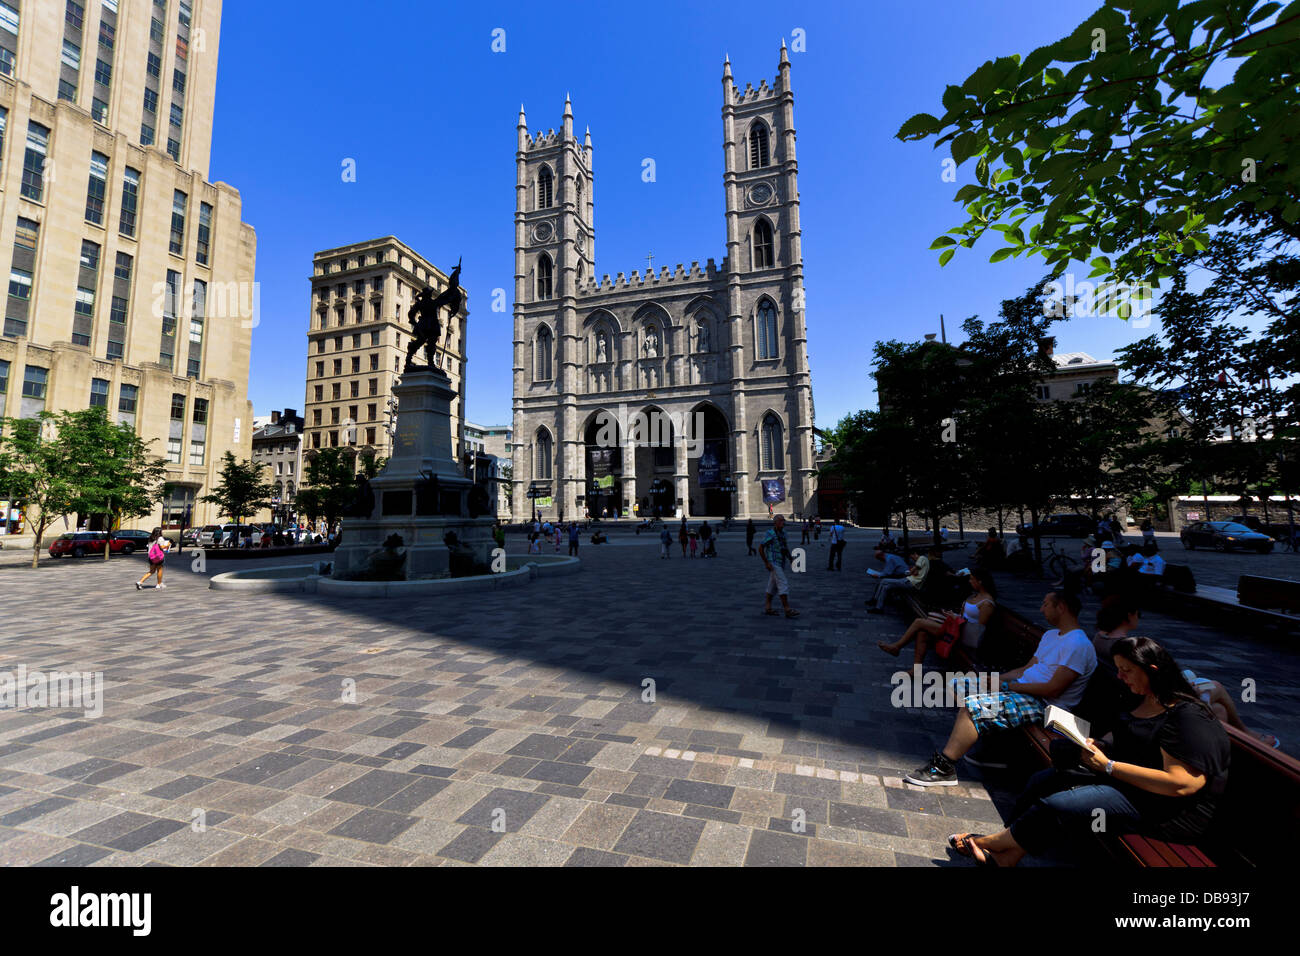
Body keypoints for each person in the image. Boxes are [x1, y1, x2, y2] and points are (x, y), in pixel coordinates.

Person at [948, 636, 1231, 866]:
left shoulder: (1186, 716)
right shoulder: (1145, 697)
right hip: (1132, 786)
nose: (1120, 677)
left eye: (1126, 670)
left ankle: (992, 844)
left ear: (1152, 671)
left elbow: (1183, 784)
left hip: (1165, 811)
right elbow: (1124, 732)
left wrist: (1108, 766)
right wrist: (1101, 744)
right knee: (1042, 781)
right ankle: (1008, 852)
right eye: (1119, 669)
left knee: (1060, 804)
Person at [904, 590, 1096, 787]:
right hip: (1022, 690)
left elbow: (1053, 690)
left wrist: (1007, 686)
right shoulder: (1051, 635)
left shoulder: (1078, 645)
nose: (1041, 609)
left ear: (1061, 607)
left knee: (974, 707)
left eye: (1046, 604)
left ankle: (944, 768)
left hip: (1045, 705)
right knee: (959, 684)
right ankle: (991, 744)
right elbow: (1026, 669)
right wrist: (994, 680)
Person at [879, 568, 997, 664]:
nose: (970, 581)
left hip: (966, 636)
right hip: (958, 628)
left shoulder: (987, 603)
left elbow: (979, 629)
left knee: (919, 622)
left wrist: (957, 619)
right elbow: (964, 616)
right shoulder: (974, 595)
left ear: (980, 581)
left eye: (972, 579)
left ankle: (897, 647)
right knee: (922, 632)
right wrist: (953, 615)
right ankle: (915, 670)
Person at [760, 514, 798, 618]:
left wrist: (790, 559)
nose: (783, 523)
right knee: (782, 583)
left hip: (781, 562)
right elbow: (761, 547)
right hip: (773, 562)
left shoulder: (783, 533)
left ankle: (768, 607)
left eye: (783, 521)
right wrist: (766, 562)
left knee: (772, 586)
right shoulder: (770, 533)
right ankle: (787, 609)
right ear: (775, 522)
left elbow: (784, 547)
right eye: (781, 521)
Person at [867, 548, 928, 613]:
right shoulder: (891, 557)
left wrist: (911, 570)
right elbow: (915, 572)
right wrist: (912, 571)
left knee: (884, 581)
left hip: (910, 582)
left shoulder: (922, 558)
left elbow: (911, 571)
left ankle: (875, 600)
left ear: (915, 554)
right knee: (886, 587)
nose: (912, 559)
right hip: (908, 580)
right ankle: (878, 608)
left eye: (912, 557)